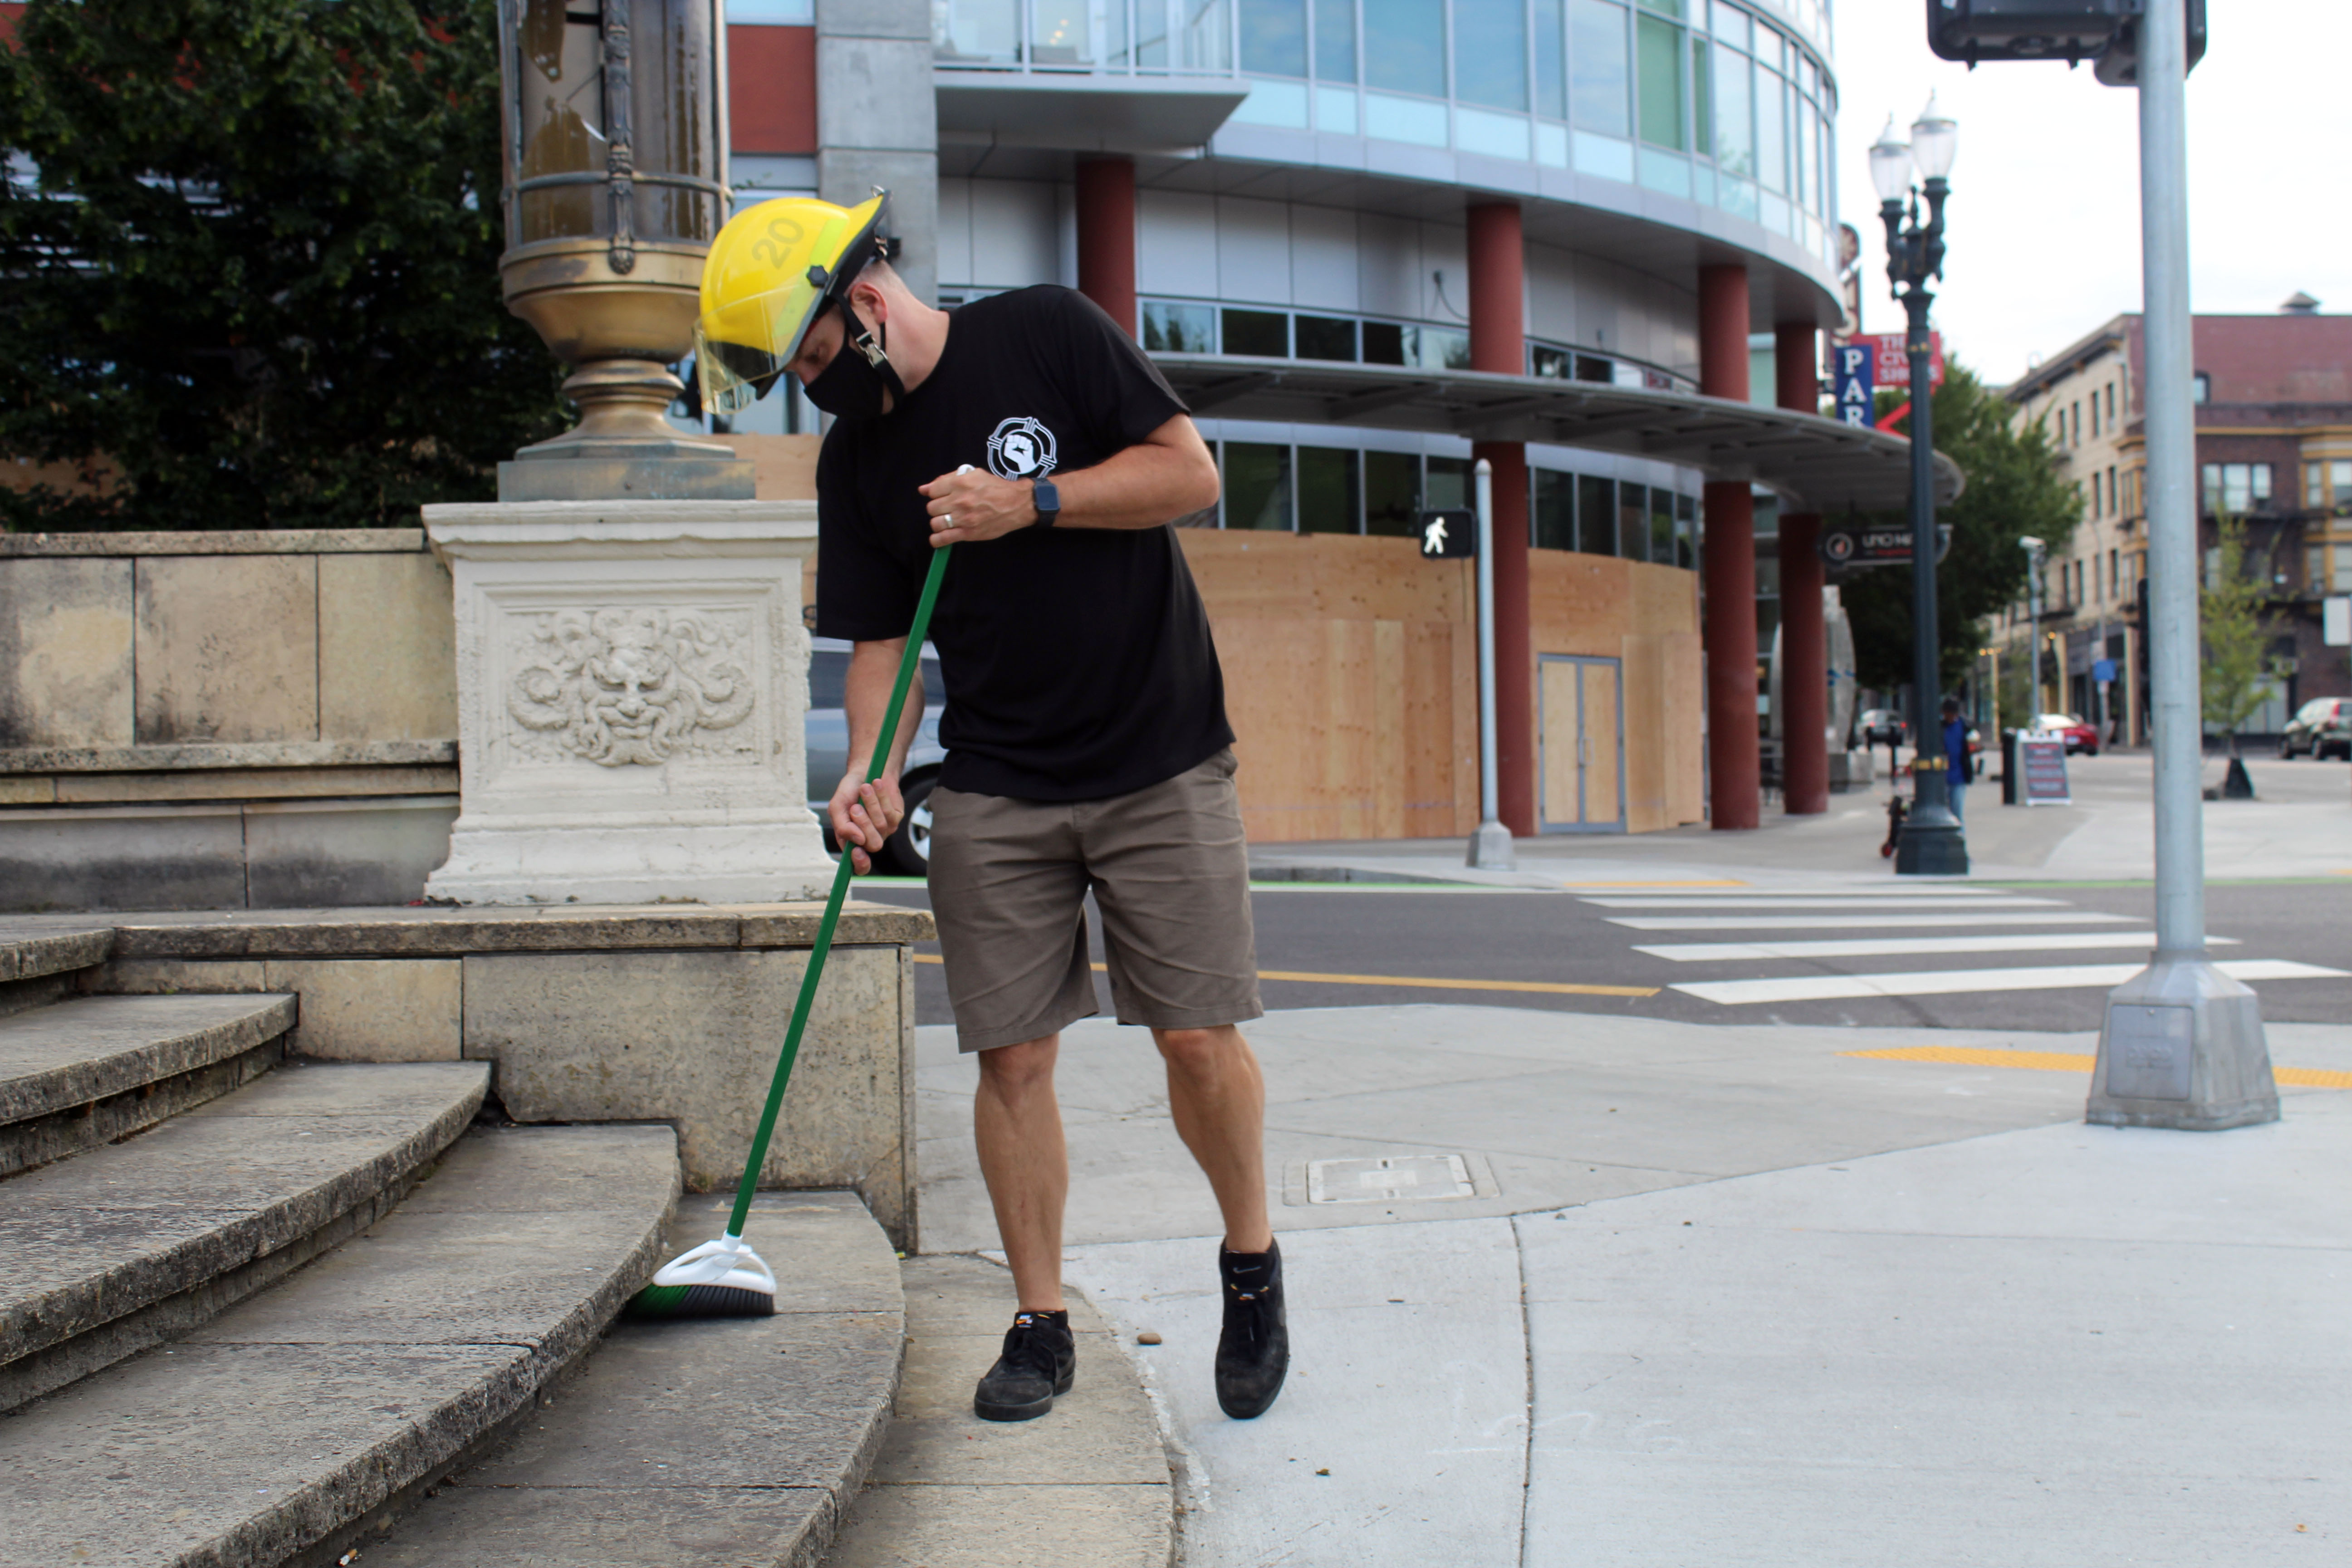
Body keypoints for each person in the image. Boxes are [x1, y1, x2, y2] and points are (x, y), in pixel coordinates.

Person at [695, 193, 1289, 1425]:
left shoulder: (1047, 333)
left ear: (861, 303)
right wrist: (867, 767)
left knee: (1195, 1038)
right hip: (998, 781)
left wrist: (1036, 501)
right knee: (1011, 1058)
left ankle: (1250, 1260)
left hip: (1158, 754)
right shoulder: (859, 460)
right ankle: (1040, 1320)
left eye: (812, 363)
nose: (816, 394)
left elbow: (1190, 473)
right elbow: (880, 646)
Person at [1941, 695, 1975, 823]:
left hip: (1959, 776)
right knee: (1943, 813)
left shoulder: (1964, 726)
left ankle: (1959, 840)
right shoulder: (1940, 727)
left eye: (1952, 714)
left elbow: (1974, 744)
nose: (1950, 717)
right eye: (1947, 714)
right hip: (1943, 776)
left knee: (1957, 814)